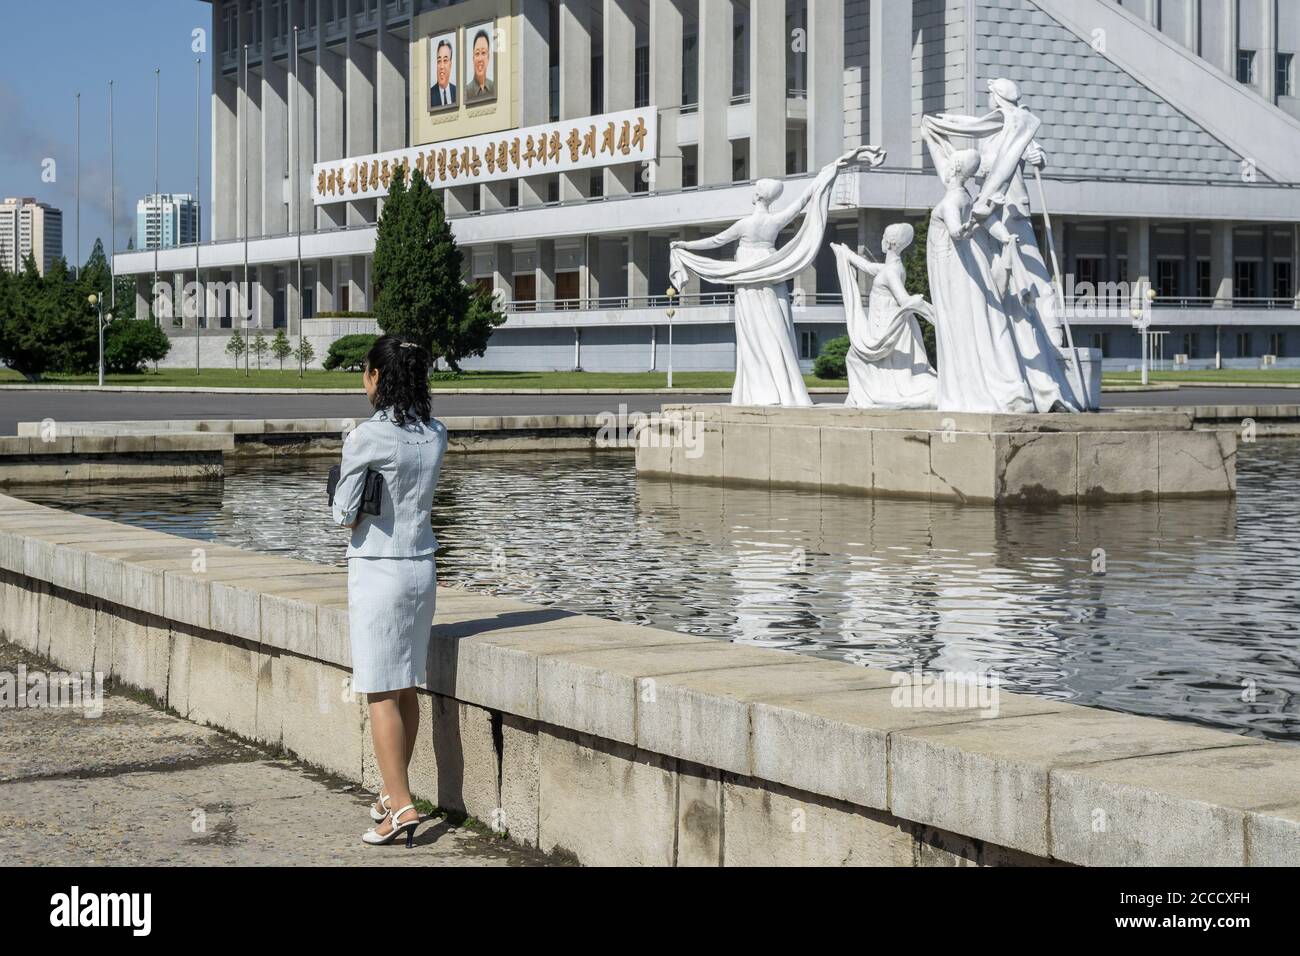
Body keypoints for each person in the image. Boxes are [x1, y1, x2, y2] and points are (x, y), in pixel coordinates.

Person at [332, 335, 448, 847]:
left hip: (379, 572)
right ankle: (390, 789)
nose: (363, 379)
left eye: (366, 371)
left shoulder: (365, 437)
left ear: (378, 378)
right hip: (422, 569)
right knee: (407, 686)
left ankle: (400, 804)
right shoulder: (436, 433)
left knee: (380, 689)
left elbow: (342, 513)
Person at [669, 145, 884, 407]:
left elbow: (715, 241)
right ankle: (781, 388)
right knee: (776, 326)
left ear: (758, 195)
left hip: (748, 273)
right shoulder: (774, 221)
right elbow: (805, 199)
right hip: (771, 267)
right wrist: (832, 169)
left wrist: (685, 245)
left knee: (754, 332)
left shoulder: (746, 224)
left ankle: (758, 391)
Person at [924, 148, 1035, 413]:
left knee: (965, 323)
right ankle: (994, 381)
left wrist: (977, 226)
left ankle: (972, 387)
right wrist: (1002, 236)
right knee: (980, 319)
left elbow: (958, 231)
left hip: (956, 269)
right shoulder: (967, 196)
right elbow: (984, 222)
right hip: (972, 264)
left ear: (954, 168)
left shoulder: (953, 200)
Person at [830, 223, 938, 409]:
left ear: (889, 243)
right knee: (857, 358)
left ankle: (874, 394)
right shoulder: (890, 267)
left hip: (889, 329)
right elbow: (868, 266)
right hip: (884, 325)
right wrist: (845, 253)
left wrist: (932, 314)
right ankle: (872, 392)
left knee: (854, 358)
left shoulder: (890, 272)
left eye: (883, 237)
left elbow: (903, 299)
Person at [465, 29, 496, 103]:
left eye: (483, 53)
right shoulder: (466, 92)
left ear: (488, 57)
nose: (480, 59)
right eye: (477, 53)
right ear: (473, 58)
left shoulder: (495, 88)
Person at [431, 38, 457, 108]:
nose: (441, 66)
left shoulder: (457, 92)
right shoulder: (430, 95)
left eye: (445, 60)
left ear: (450, 64)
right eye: (439, 61)